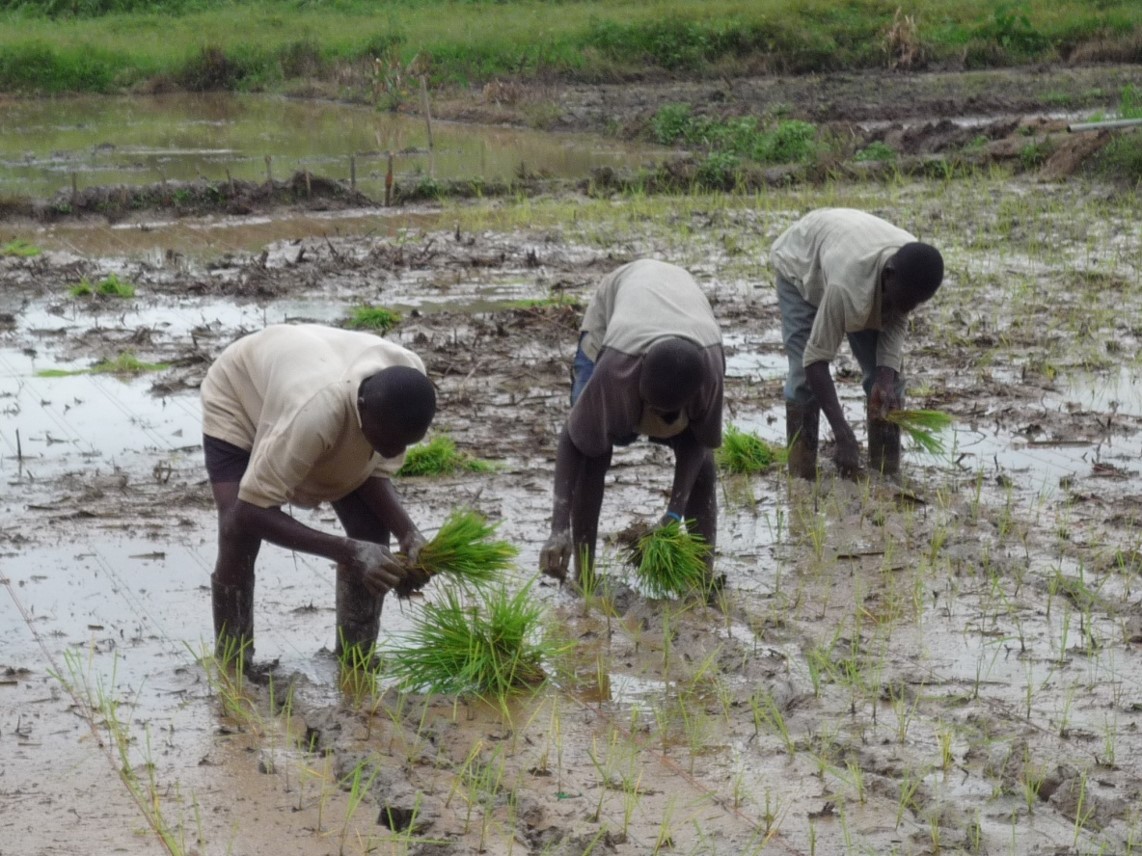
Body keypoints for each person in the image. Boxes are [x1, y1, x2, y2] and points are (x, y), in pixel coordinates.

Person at [200, 323, 436, 665]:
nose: (393, 452)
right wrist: (347, 551)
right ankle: (235, 662)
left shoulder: (405, 379)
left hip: (312, 370)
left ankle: (355, 659)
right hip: (242, 394)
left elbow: (368, 471)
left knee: (371, 531)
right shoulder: (312, 413)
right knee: (236, 532)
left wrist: (408, 533)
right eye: (386, 442)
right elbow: (250, 510)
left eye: (404, 444)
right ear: (363, 409)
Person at [539, 259, 725, 588]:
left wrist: (673, 514)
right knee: (593, 451)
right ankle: (584, 577)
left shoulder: (708, 372)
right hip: (618, 308)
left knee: (703, 470)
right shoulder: (616, 372)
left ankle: (701, 581)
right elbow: (573, 439)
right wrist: (558, 528)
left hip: (684, 304)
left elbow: (700, 442)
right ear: (637, 390)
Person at [771, 208, 944, 479]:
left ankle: (885, 472)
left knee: (890, 383)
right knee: (802, 379)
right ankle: (801, 473)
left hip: (850, 250)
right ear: (889, 275)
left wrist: (884, 380)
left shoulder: (911, 265)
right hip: (802, 265)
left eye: (917, 302)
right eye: (907, 299)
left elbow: (897, 324)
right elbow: (815, 361)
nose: (910, 306)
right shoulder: (846, 287)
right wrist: (843, 434)